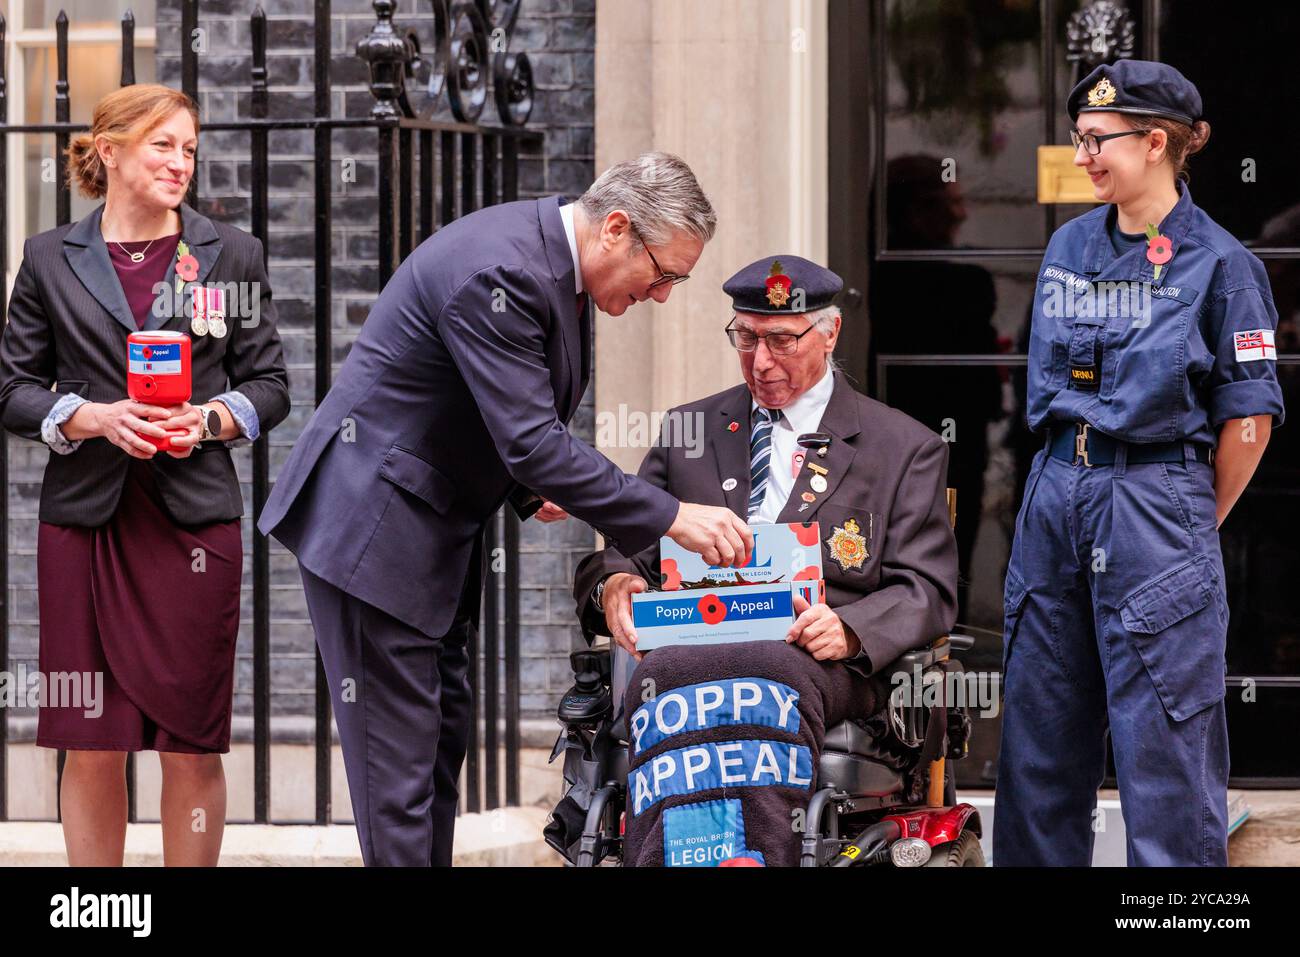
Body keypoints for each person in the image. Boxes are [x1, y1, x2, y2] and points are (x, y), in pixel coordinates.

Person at [258, 152, 753, 866]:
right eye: (666, 272)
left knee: (435, 751)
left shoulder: (551, 264)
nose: (665, 294)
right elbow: (532, 441)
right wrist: (673, 515)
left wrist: (528, 485)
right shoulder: (504, 270)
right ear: (617, 228)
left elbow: (497, 411)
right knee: (397, 779)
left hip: (429, 537)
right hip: (374, 537)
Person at [572, 256, 959, 866]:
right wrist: (615, 582)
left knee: (763, 668)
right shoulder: (689, 430)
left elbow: (927, 590)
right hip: (690, 643)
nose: (761, 361)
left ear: (830, 334)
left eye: (782, 340)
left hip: (820, 657)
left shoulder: (902, 447)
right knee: (661, 675)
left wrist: (852, 628)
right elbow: (624, 549)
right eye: (746, 338)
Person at [995, 60, 1284, 866]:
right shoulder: (1068, 243)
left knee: (1166, 756)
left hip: (1154, 498)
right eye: (1079, 139)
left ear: (1156, 143)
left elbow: (1250, 420)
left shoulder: (1225, 266)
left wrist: (1186, 518)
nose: (1081, 156)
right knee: (1038, 743)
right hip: (1056, 491)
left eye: (1097, 141)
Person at [0, 84, 289, 865]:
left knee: (191, 739)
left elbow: (271, 386)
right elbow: (13, 390)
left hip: (192, 521)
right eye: (163, 144)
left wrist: (206, 419)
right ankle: (104, 914)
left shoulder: (232, 255)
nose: (180, 161)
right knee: (89, 740)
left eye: (190, 148)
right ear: (110, 150)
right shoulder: (47, 258)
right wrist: (94, 416)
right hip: (84, 524)